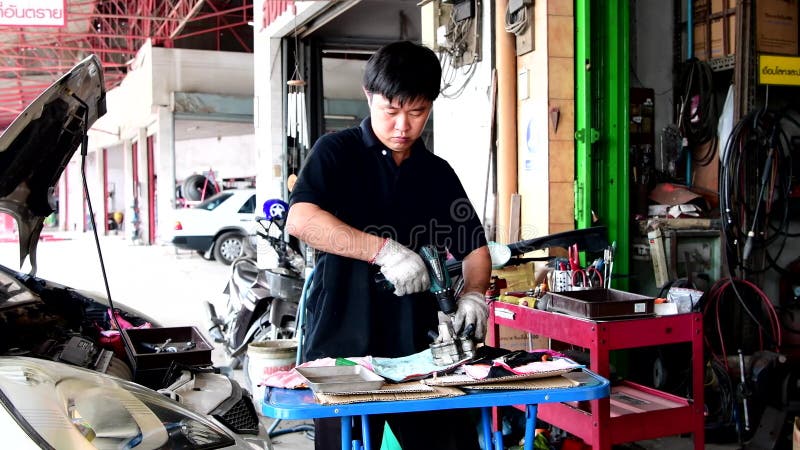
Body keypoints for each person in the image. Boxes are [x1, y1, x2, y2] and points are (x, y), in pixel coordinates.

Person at [286, 40, 491, 450]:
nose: (403, 126)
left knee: (444, 440)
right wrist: (383, 251)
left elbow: (475, 249)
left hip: (421, 342)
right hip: (343, 337)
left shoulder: (436, 173)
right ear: (369, 97)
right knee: (348, 442)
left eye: (416, 113)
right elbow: (302, 219)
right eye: (391, 111)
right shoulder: (336, 152)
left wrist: (474, 294)